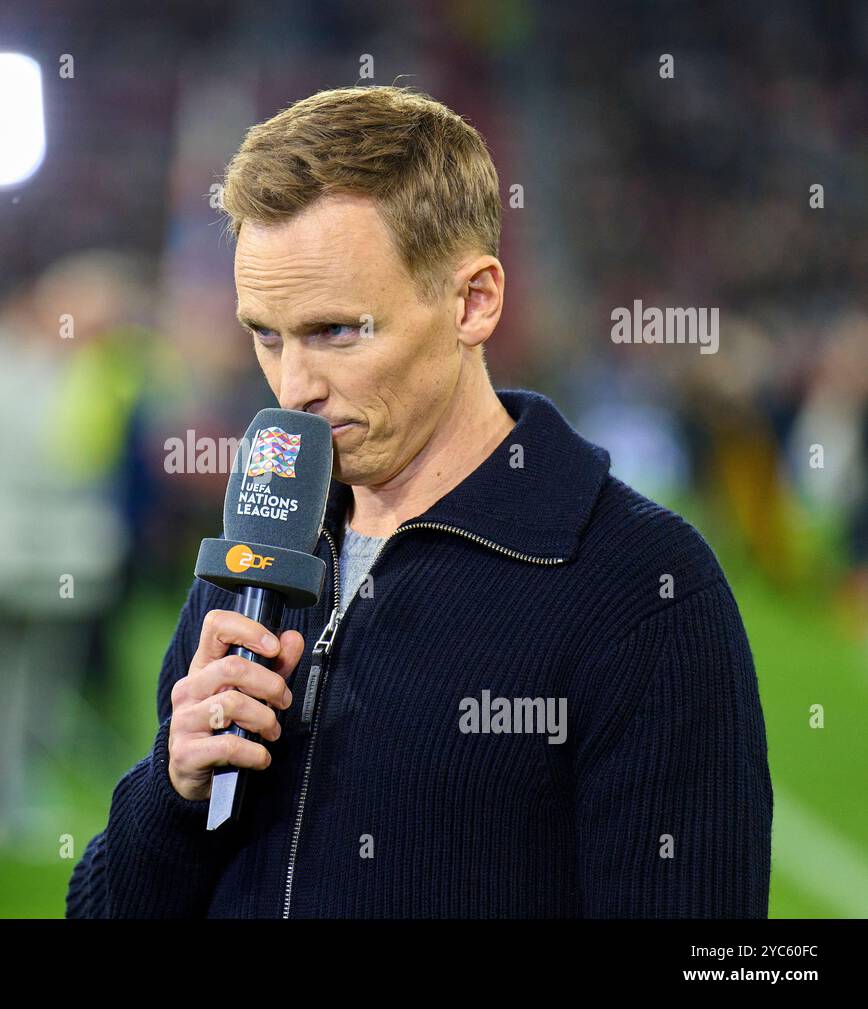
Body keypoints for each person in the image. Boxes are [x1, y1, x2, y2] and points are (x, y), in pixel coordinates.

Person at [66, 85, 773, 918]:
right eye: (266, 333)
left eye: (336, 331)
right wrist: (172, 790)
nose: (294, 388)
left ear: (474, 301)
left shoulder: (641, 585)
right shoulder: (259, 553)